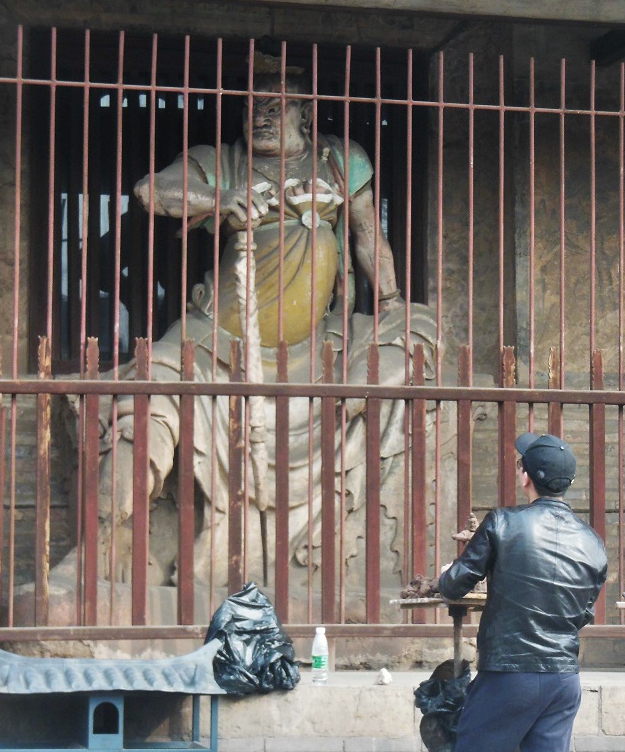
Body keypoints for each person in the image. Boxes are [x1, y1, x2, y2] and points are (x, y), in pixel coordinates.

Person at [84, 52, 437, 588]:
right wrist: (222, 198)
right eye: (251, 108)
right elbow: (149, 191)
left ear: (305, 110)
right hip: (216, 337)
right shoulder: (222, 160)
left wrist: (388, 299)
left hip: (319, 343)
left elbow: (368, 237)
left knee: (417, 332)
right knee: (144, 410)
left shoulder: (341, 160)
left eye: (273, 106)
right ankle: (100, 546)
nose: (259, 117)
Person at [433, 433, 608, 752]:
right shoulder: (592, 541)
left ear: (527, 476)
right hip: (562, 680)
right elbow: (583, 613)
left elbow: (455, 584)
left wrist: (454, 575)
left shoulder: (505, 522)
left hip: (508, 675)